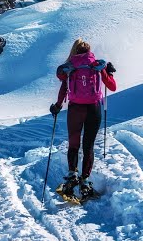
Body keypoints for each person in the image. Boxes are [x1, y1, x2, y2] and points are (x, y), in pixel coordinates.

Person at [49, 38, 116, 199]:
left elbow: (64, 88)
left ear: (74, 50)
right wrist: (109, 73)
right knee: (88, 146)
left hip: (75, 109)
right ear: (89, 50)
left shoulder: (70, 67)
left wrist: (57, 106)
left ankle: (72, 177)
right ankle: (85, 183)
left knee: (74, 144)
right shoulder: (97, 65)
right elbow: (112, 87)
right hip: (94, 108)